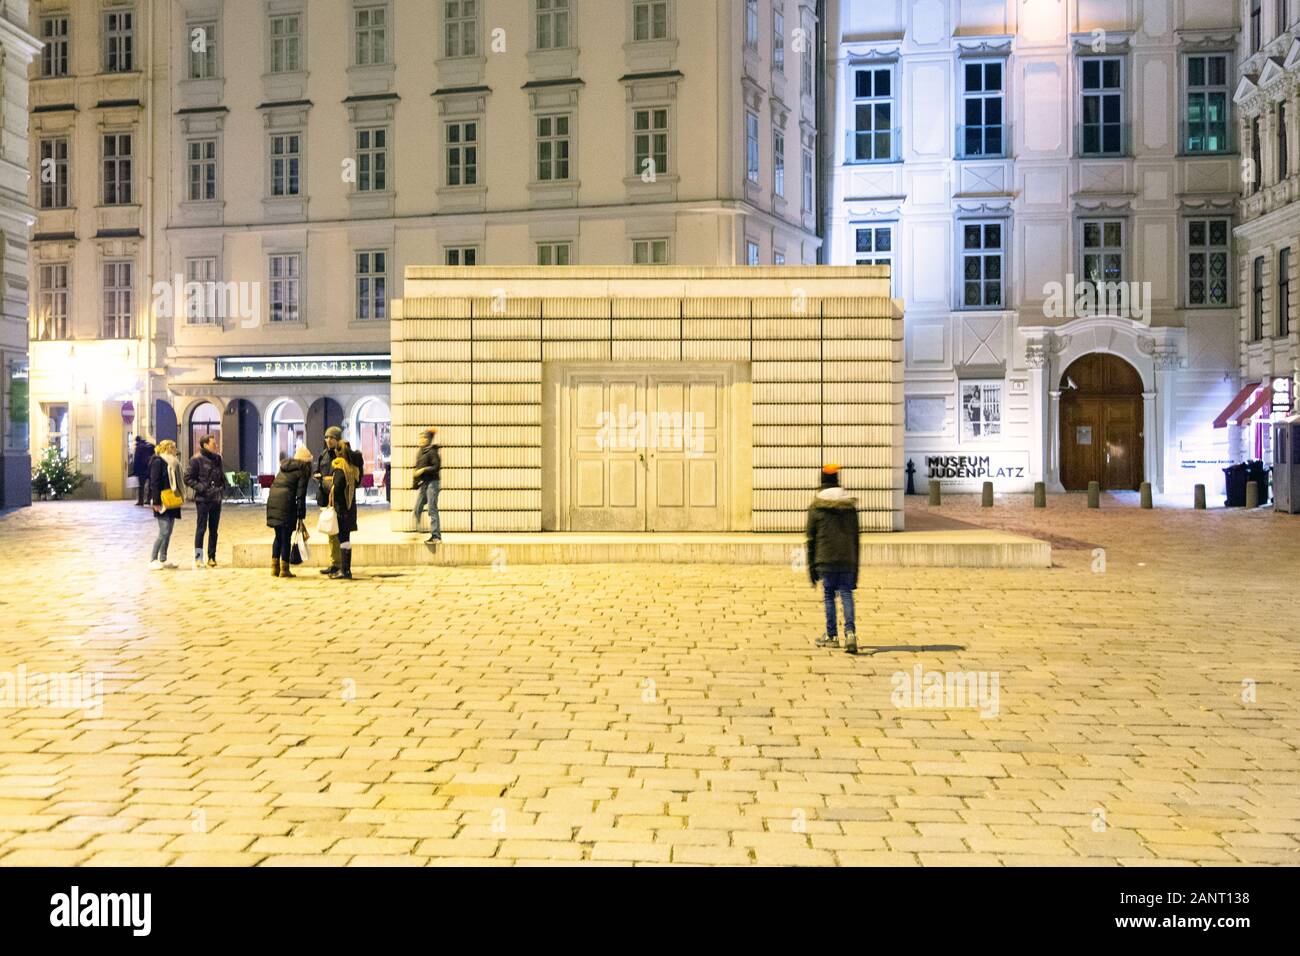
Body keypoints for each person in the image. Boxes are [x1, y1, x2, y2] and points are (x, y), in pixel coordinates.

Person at [806, 464, 860, 655]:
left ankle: (832, 636)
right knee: (846, 593)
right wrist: (856, 568)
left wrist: (811, 566)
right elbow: (855, 538)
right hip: (847, 558)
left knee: (829, 595)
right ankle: (851, 633)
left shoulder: (817, 506)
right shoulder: (849, 506)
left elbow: (810, 538)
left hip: (825, 558)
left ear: (822, 482)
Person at [266, 444, 313, 578]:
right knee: (286, 537)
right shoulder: (302, 471)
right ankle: (284, 569)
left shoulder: (284, 469)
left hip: (273, 503)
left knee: (278, 537)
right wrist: (300, 515)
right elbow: (300, 495)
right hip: (286, 506)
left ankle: (274, 568)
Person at [185, 434, 225, 569]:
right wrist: (201, 487)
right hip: (203, 499)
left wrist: (222, 487)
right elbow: (188, 478)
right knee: (201, 528)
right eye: (214, 444)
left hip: (216, 498)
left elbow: (220, 474)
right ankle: (198, 558)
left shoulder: (218, 458)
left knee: (214, 530)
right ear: (205, 445)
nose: (216, 446)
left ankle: (212, 557)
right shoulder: (196, 459)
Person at [327, 439, 362, 580]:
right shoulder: (353, 468)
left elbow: (337, 488)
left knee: (343, 538)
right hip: (350, 507)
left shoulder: (340, 468)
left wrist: (327, 484)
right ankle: (346, 570)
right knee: (346, 538)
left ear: (337, 452)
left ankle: (345, 570)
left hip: (342, 509)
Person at [147, 440, 184, 570]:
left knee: (169, 532)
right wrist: (156, 501)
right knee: (164, 531)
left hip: (172, 499)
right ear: (168, 448)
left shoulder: (173, 462)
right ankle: (153, 559)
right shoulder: (158, 461)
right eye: (173, 447)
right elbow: (154, 482)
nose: (175, 449)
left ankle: (163, 558)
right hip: (162, 500)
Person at [314, 426, 343, 575]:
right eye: (326, 437)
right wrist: (317, 476)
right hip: (326, 497)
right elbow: (318, 470)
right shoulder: (323, 454)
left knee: (339, 531)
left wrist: (330, 482)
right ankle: (334, 563)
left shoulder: (342, 454)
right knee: (331, 531)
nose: (328, 440)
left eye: (331, 437)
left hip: (338, 497)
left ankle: (340, 563)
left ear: (337, 439)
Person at [412, 428, 442, 543]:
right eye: (420, 437)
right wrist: (415, 483)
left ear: (428, 439)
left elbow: (436, 467)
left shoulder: (432, 451)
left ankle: (436, 536)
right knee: (417, 508)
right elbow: (416, 468)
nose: (420, 440)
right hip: (424, 484)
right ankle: (418, 531)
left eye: (423, 437)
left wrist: (424, 470)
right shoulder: (420, 452)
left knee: (432, 509)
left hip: (433, 483)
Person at [132, 436, 155, 506]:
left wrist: (134, 470)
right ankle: (149, 499)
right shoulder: (149, 446)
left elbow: (136, 460)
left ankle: (140, 501)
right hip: (150, 468)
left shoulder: (138, 448)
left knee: (141, 486)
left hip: (141, 470)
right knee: (151, 484)